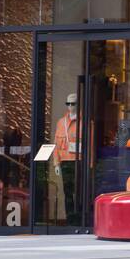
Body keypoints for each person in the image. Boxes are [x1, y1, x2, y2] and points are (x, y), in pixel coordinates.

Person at [52, 93, 80, 223]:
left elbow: (89, 143)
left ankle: (79, 217)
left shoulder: (84, 122)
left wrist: (89, 163)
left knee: (79, 190)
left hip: (79, 161)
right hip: (65, 161)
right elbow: (56, 144)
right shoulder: (60, 123)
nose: (70, 107)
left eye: (73, 104)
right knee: (67, 191)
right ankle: (70, 218)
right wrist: (56, 163)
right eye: (68, 104)